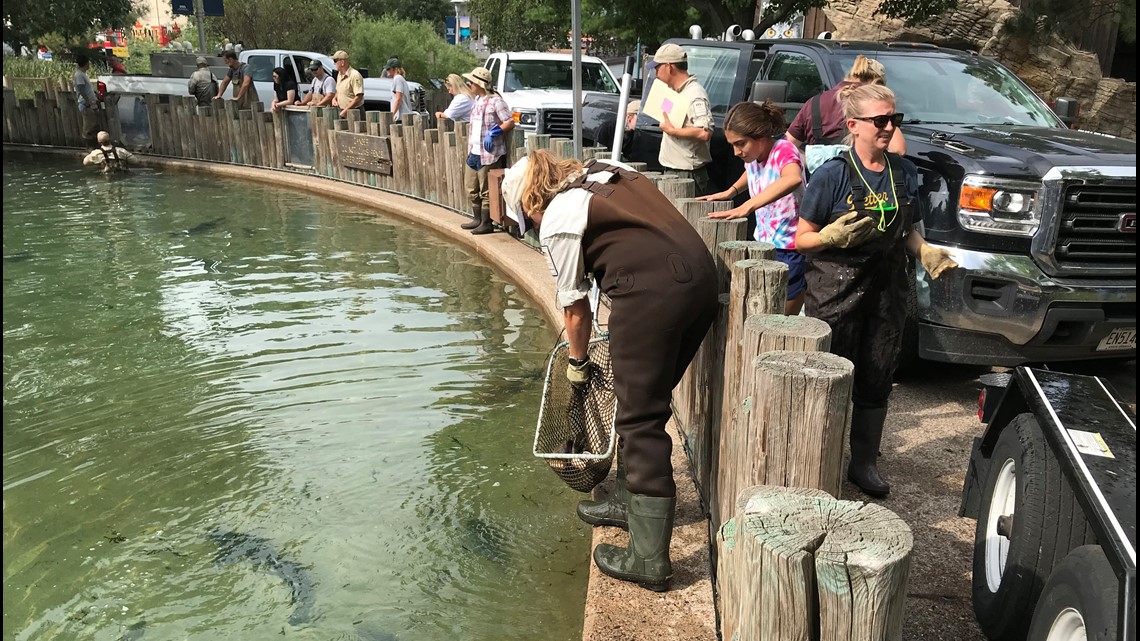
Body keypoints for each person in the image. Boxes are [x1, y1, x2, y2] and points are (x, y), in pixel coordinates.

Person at [499, 150, 718, 592]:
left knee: (641, 416)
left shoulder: (559, 217)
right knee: (639, 396)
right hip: (700, 280)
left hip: (651, 295)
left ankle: (649, 558)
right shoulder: (609, 169)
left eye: (528, 219)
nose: (535, 227)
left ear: (531, 202)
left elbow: (575, 310)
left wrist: (577, 364)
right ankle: (626, 500)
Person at [794, 84, 957, 498]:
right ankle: (816, 460)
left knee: (877, 376)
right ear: (853, 125)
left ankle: (863, 464)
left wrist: (926, 253)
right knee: (828, 377)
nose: (889, 127)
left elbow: (908, 233)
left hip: (887, 290)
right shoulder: (832, 174)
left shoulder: (904, 172)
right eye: (880, 120)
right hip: (835, 290)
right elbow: (802, 239)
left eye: (894, 119)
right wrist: (830, 235)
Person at [698, 101, 807, 315]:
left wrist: (747, 206)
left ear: (761, 135)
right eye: (732, 145)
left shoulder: (783, 149)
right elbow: (751, 172)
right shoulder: (754, 155)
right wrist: (731, 191)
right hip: (764, 244)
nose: (736, 152)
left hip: (790, 249)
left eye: (740, 144)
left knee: (781, 317)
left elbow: (792, 178)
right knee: (761, 311)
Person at [786, 54, 906, 174]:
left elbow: (787, 146)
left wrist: (812, 160)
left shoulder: (814, 102)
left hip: (820, 180)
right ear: (878, 84)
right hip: (863, 180)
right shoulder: (871, 105)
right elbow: (898, 150)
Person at [650, 43, 714, 196]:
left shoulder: (695, 94)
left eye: (657, 67)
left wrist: (673, 131)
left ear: (669, 67)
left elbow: (704, 132)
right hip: (672, 170)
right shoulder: (674, 91)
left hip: (687, 174)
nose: (655, 72)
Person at [460, 66, 515, 235]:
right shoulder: (476, 101)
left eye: (472, 82)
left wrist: (495, 132)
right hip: (474, 151)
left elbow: (509, 121)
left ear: (479, 84)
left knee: (486, 189)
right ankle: (477, 218)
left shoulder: (496, 101)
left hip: (489, 153)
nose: (469, 84)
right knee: (470, 186)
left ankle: (486, 222)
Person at [74, 57, 101, 149]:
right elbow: (81, 89)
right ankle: (89, 147)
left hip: (90, 102)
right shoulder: (79, 75)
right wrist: (89, 102)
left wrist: (94, 93)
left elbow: (86, 88)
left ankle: (94, 145)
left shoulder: (83, 74)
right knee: (88, 126)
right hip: (86, 104)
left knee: (93, 124)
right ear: (85, 64)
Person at [331, 50, 364, 119]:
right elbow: (339, 91)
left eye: (335, 61)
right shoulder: (339, 75)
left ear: (342, 62)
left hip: (355, 113)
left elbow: (359, 97)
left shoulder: (355, 75)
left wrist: (345, 111)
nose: (334, 63)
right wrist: (334, 99)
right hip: (343, 112)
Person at [383, 57, 414, 124]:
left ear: (395, 68)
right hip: (404, 117)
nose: (387, 70)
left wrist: (392, 115)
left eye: (389, 68)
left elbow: (398, 98)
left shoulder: (397, 79)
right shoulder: (400, 79)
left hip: (401, 117)